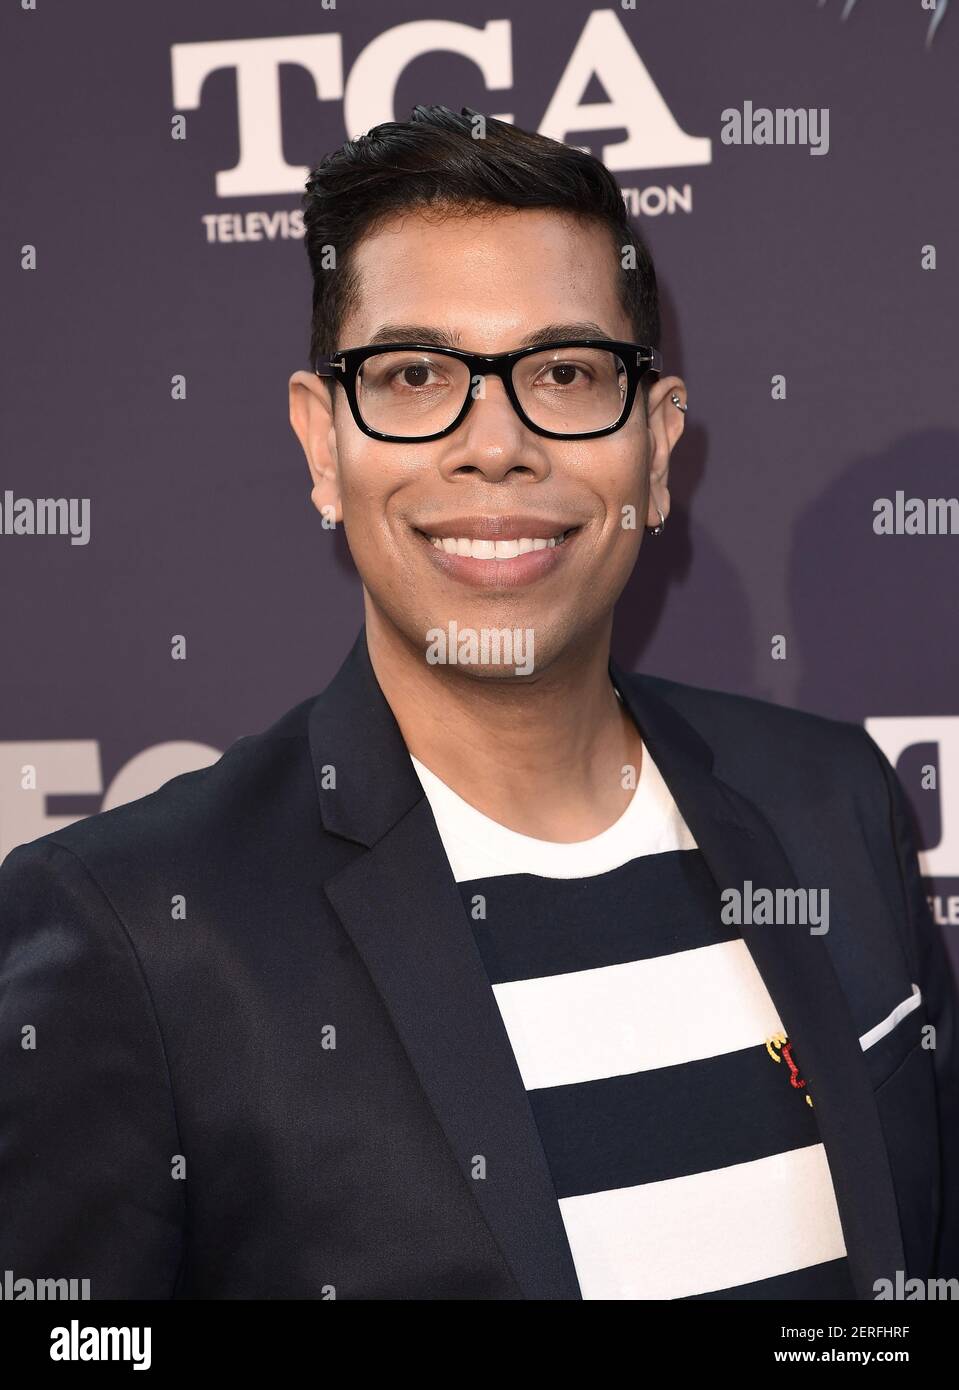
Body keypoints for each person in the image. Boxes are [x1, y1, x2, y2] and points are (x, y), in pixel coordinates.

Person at [1, 105, 956, 1301]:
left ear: (656, 451)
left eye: (563, 372)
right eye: (412, 375)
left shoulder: (830, 804)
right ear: (320, 444)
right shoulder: (133, 929)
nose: (493, 445)